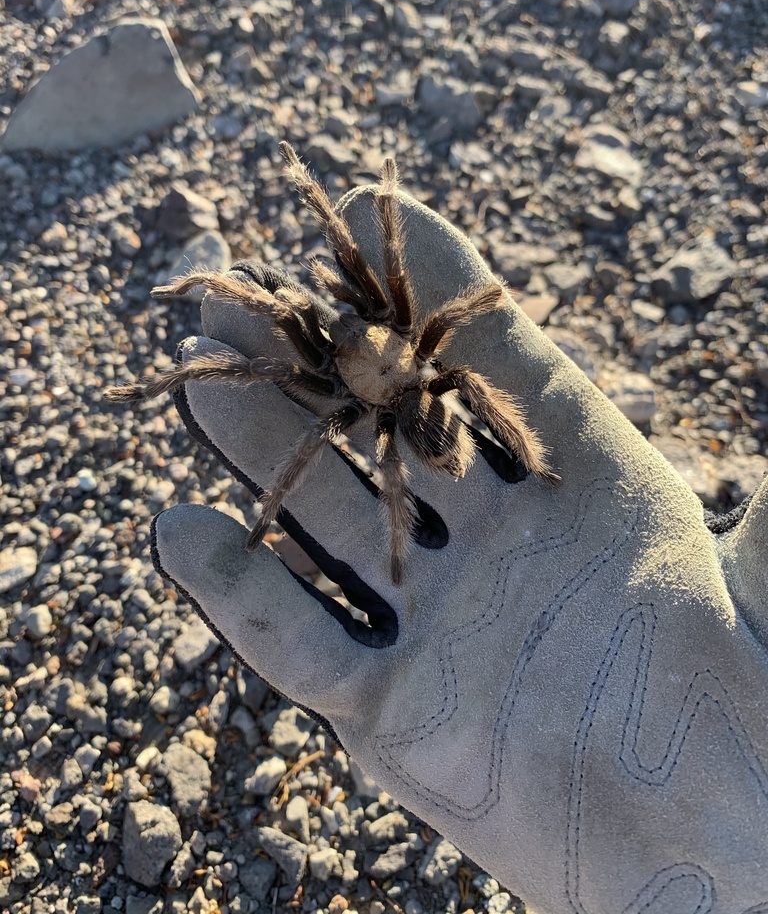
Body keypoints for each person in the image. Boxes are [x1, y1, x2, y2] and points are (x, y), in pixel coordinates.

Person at [145, 178, 768, 913]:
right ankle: (524, 460)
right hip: (414, 399)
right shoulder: (419, 342)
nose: (347, 326)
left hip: (398, 413)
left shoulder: (347, 374)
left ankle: (457, 505)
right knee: (441, 369)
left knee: (300, 391)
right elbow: (403, 292)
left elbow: (307, 377)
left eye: (351, 325)